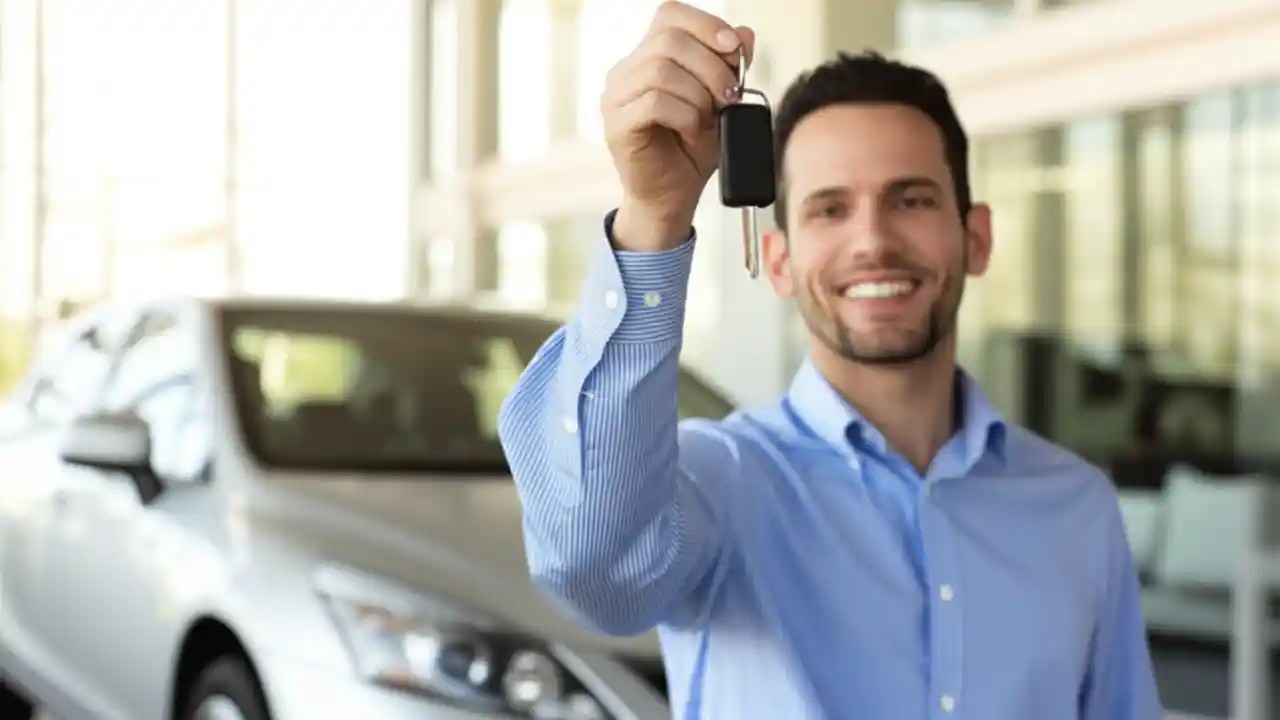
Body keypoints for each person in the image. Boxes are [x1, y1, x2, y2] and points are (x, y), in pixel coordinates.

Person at [497, 2, 1163, 718]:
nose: (872, 240)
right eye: (829, 209)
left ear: (975, 238)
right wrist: (653, 214)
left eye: (910, 200)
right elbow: (596, 570)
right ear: (779, 261)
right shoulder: (721, 484)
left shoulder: (1078, 509)